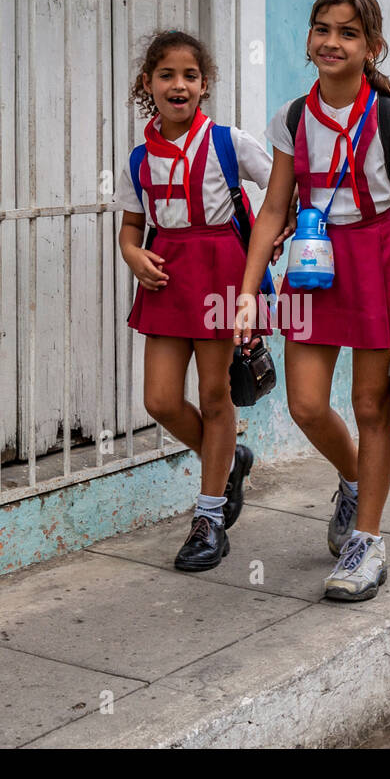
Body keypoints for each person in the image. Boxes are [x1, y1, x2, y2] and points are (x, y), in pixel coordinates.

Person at [234, 0, 390, 602]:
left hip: (376, 258)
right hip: (310, 260)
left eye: (348, 33)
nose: (332, 41)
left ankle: (368, 541)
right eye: (322, 28)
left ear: (373, 47)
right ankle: (355, 480)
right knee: (303, 403)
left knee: (371, 406)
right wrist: (249, 291)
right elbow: (274, 207)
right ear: (309, 38)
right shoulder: (292, 118)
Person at [118, 30, 275, 572]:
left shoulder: (230, 141)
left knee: (215, 397)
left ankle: (208, 518)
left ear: (203, 85)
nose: (177, 84)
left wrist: (278, 235)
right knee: (159, 400)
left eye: (189, 75)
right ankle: (229, 460)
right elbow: (130, 226)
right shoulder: (139, 158)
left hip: (221, 273)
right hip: (165, 278)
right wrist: (132, 256)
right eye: (166, 75)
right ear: (148, 84)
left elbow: (283, 188)